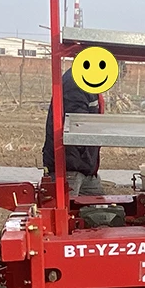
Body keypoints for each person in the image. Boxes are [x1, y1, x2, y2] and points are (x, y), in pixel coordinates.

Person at [42, 68, 105, 197]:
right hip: (71, 167)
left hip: (84, 166)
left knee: (101, 212)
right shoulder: (75, 83)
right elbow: (77, 124)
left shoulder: (87, 81)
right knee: (67, 212)